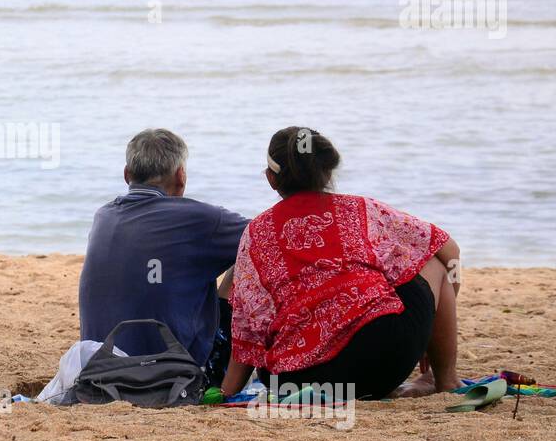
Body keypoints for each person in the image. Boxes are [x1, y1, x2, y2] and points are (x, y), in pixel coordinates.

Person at [220, 127, 460, 400]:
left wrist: (228, 391)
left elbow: (249, 323)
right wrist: (431, 323)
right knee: (434, 263)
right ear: (328, 172)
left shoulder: (256, 233)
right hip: (385, 358)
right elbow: (450, 251)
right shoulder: (361, 210)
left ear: (271, 179)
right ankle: (446, 380)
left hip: (295, 381)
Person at [79, 129, 248, 365]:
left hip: (97, 369)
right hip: (172, 378)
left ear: (127, 175)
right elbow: (266, 238)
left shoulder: (104, 215)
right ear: (181, 176)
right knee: (246, 257)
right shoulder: (200, 219)